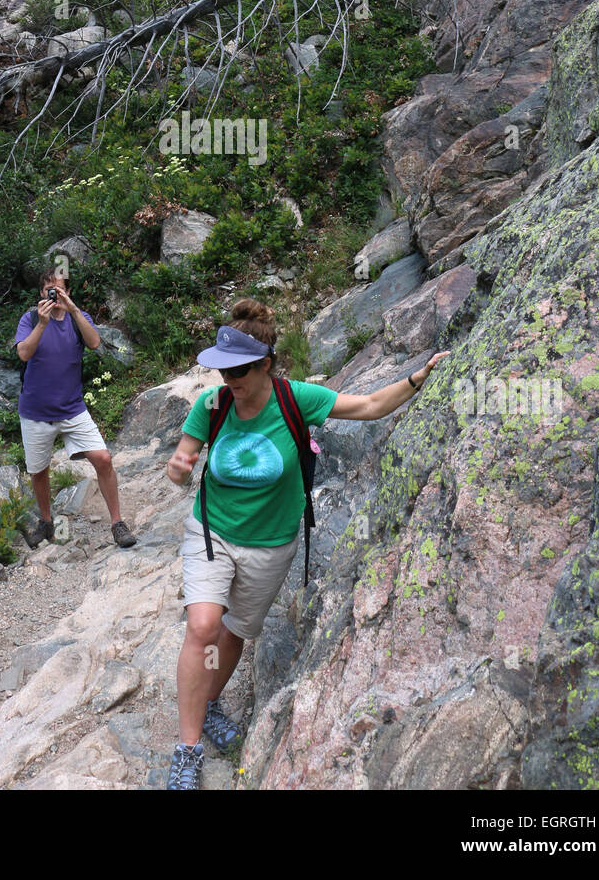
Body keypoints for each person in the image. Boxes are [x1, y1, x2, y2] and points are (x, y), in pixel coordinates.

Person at [164, 297, 449, 790]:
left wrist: (417, 379)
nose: (229, 379)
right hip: (212, 531)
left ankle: (208, 701)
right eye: (223, 370)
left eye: (240, 370)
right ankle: (188, 749)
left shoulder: (297, 399)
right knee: (204, 625)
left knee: (234, 630)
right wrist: (178, 468)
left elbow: (368, 407)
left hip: (272, 543)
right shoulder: (212, 404)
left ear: (266, 365)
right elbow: (183, 457)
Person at [15, 269, 136, 548]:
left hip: (72, 408)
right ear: (41, 293)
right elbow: (23, 353)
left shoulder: (77, 317)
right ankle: (47, 522)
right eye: (50, 289)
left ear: (68, 291)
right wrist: (43, 323)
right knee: (38, 470)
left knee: (103, 459)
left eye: (60, 289)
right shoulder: (31, 319)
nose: (55, 294)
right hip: (35, 411)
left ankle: (117, 523)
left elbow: (94, 343)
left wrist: (73, 309)